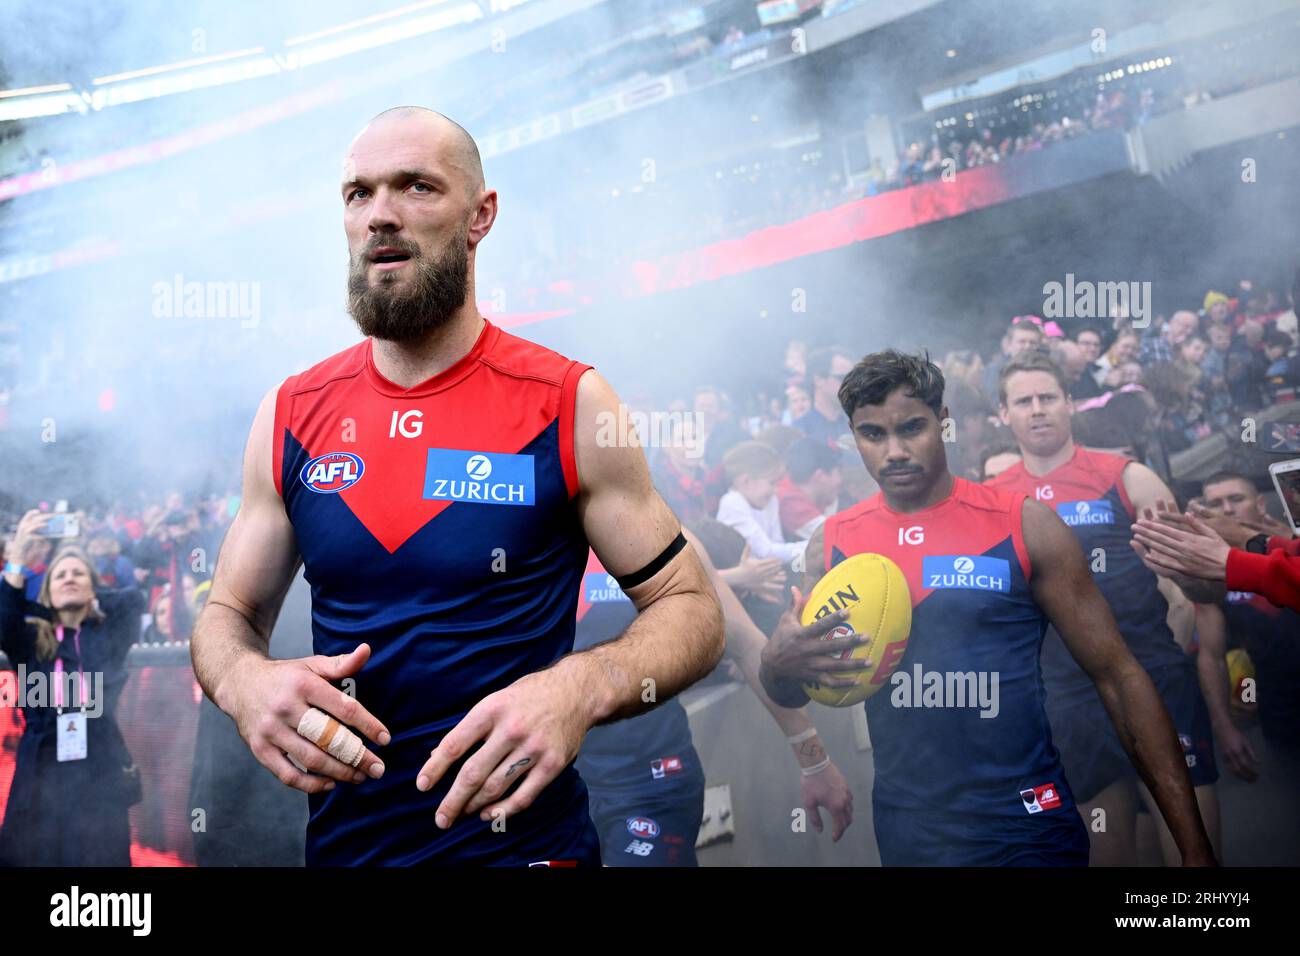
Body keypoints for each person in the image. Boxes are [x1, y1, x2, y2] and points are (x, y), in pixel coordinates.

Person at [189, 106, 725, 866]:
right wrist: (244, 681)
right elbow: (227, 616)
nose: (381, 214)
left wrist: (580, 688)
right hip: (347, 853)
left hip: (530, 850)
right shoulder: (291, 414)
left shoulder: (568, 402)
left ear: (481, 216)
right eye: (358, 193)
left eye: (416, 187)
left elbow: (693, 609)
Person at [758, 349, 1215, 866]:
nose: (895, 452)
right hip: (912, 823)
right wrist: (776, 664)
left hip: (1026, 816)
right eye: (873, 435)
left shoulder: (1024, 524)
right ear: (853, 437)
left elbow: (1117, 675)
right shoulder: (832, 544)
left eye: (912, 428)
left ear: (944, 423)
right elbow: (793, 685)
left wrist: (1195, 852)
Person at [987, 350, 1221, 864]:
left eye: (1048, 397)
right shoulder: (990, 500)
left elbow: (1187, 585)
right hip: (1065, 696)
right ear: (1004, 415)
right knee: (1106, 847)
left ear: (1070, 403)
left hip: (1152, 674)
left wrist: (1168, 661)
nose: (1038, 409)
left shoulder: (1126, 475)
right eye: (1022, 401)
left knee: (1195, 849)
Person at [576, 531, 854, 865]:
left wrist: (815, 761)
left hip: (649, 785)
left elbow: (747, 646)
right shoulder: (516, 542)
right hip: (549, 789)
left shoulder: (661, 534)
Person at [0, 515, 145, 866]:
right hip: (41, 766)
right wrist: (18, 558)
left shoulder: (108, 635)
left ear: (93, 588)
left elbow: (133, 600)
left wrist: (91, 600)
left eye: (78, 574)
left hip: (98, 762)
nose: (69, 578)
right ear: (46, 592)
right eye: (61, 575)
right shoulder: (31, 642)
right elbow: (4, 618)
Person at [1189, 472, 1300, 863]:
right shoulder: (1211, 574)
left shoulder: (1292, 543)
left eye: (1235, 499)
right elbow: (1210, 653)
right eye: (1215, 504)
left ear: (1262, 504)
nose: (1226, 510)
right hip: (1281, 716)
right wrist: (1224, 726)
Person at [716, 441, 806, 565]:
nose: (776, 489)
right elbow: (766, 552)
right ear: (746, 481)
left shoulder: (770, 501)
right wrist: (812, 546)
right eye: (772, 482)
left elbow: (777, 544)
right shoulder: (732, 502)